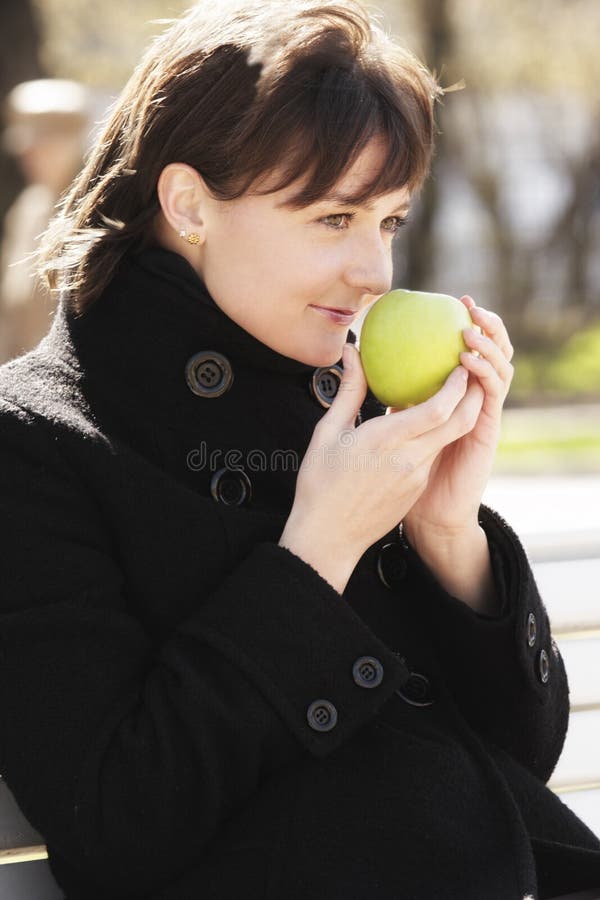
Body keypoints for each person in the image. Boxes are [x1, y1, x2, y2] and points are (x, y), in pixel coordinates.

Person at [0, 1, 598, 898]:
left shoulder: (350, 408)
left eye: (389, 222)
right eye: (333, 219)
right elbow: (115, 821)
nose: (376, 274)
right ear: (190, 203)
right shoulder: (34, 439)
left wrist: (448, 533)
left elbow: (518, 758)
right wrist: (316, 551)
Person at [0, 78, 91, 362]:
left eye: (43, 143)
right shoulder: (29, 208)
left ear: (71, 143)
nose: (29, 155)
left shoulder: (95, 212)